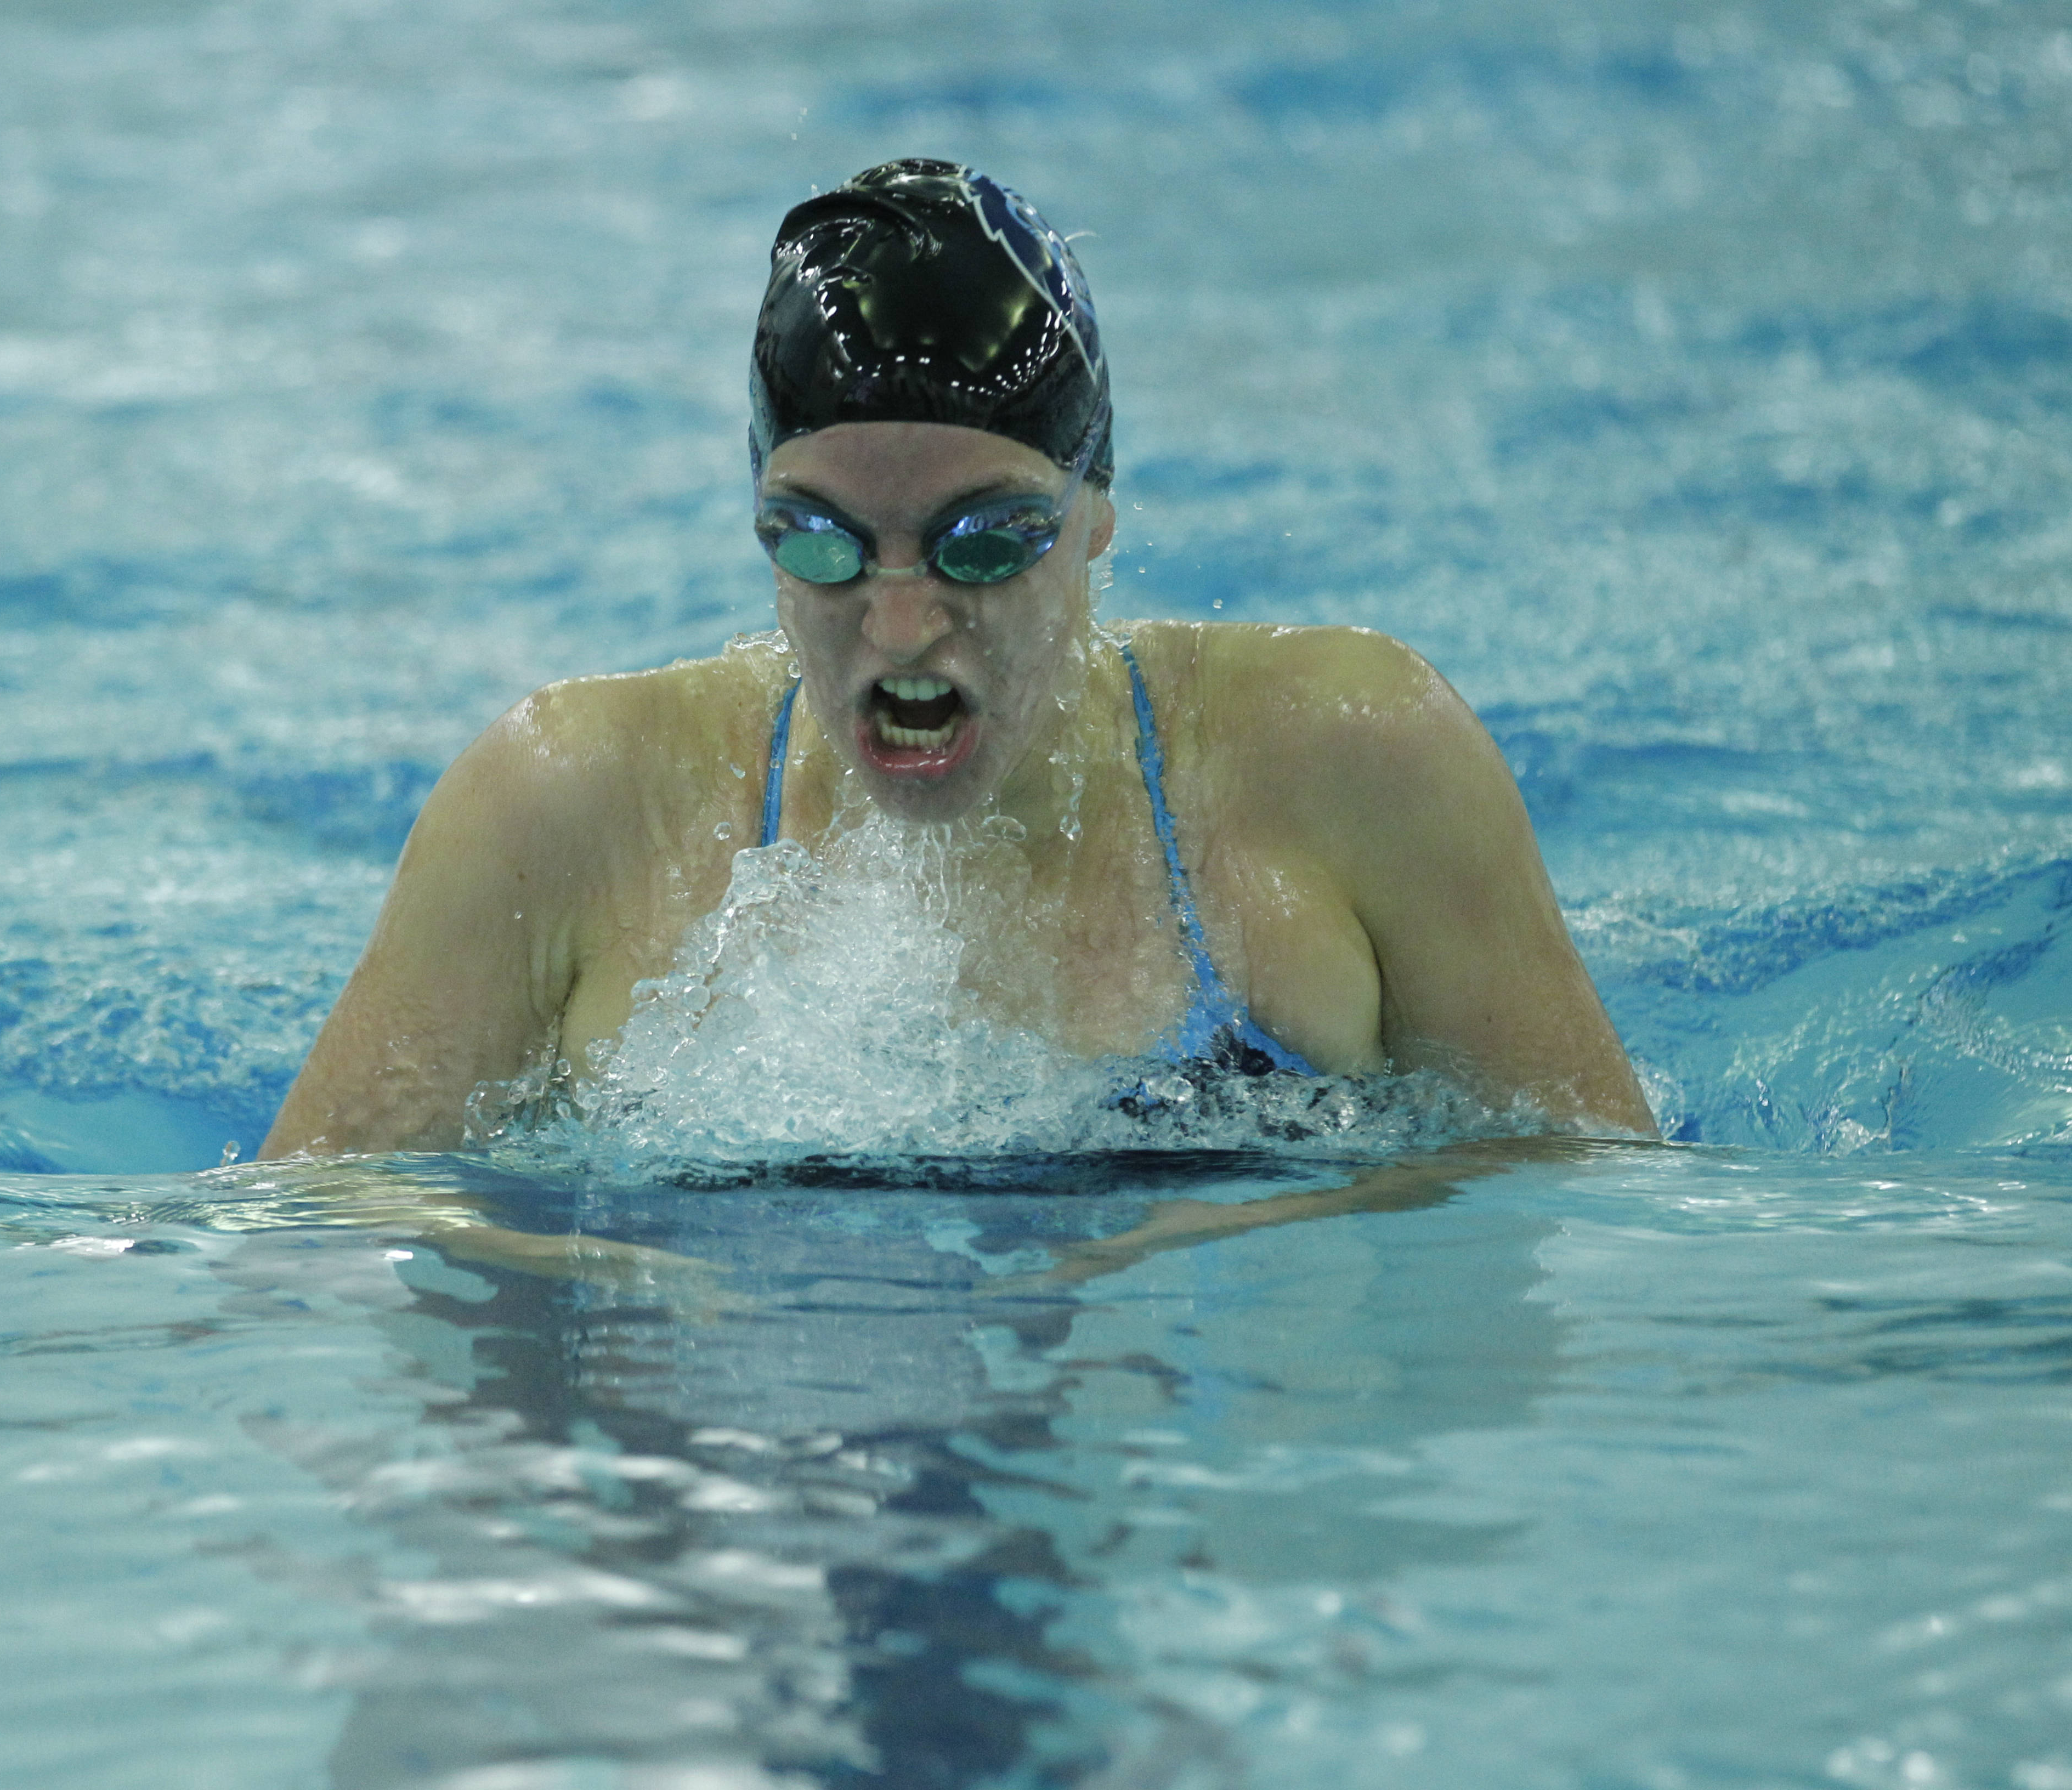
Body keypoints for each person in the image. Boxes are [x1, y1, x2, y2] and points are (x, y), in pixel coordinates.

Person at [262, 158, 1653, 1162]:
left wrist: (1257, 1229)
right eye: (821, 544)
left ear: (1098, 514)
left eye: (983, 543)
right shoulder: (562, 811)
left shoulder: (1359, 762)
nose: (902, 625)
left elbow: (1599, 1217)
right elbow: (309, 1254)